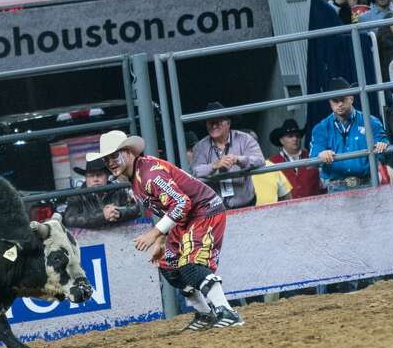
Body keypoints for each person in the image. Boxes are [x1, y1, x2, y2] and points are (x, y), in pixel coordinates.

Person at [98, 129, 243, 329]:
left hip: (204, 211)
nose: (111, 162)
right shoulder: (138, 176)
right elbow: (173, 206)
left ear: (129, 153)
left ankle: (227, 312)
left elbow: (182, 203)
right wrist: (161, 240)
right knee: (169, 266)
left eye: (114, 156)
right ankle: (205, 314)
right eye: (106, 160)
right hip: (188, 217)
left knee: (191, 265)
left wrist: (154, 233)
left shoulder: (149, 174)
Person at [309, 77, 389, 191]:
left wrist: (382, 145)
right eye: (335, 101)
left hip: (368, 182)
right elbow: (314, 155)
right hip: (337, 186)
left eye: (343, 99)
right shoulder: (321, 128)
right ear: (330, 103)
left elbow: (383, 144)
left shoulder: (371, 122)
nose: (340, 104)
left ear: (351, 98)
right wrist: (321, 154)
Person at [189, 102, 265, 209]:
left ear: (228, 123)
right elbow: (194, 171)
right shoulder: (200, 147)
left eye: (218, 121)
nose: (214, 125)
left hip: (246, 204)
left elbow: (260, 161)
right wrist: (214, 165)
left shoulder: (245, 139)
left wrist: (238, 159)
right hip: (215, 209)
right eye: (210, 122)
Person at [62, 151, 142, 228]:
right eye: (91, 176)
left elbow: (137, 208)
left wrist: (119, 213)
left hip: (120, 235)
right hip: (90, 240)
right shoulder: (77, 196)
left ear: (107, 176)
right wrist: (102, 216)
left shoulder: (118, 190)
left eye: (99, 175)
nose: (95, 179)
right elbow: (69, 219)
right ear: (85, 178)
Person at [268, 119, 325, 197]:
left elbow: (323, 184)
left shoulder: (312, 156)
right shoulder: (272, 163)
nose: (295, 139)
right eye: (290, 136)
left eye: (297, 136)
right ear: (281, 140)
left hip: (313, 206)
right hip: (285, 207)